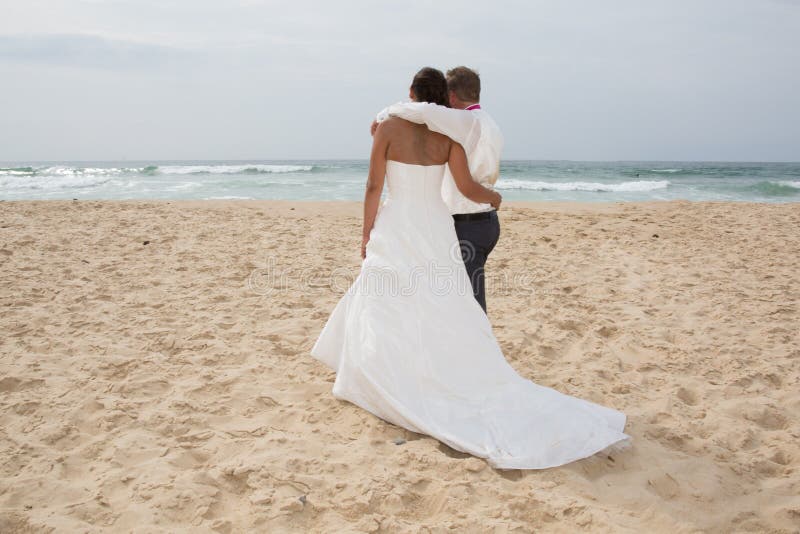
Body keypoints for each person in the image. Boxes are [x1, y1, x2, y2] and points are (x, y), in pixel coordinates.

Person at [311, 67, 629, 470]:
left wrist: (365, 231)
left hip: (398, 223)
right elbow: (465, 189)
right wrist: (495, 198)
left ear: (410, 92)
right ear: (442, 98)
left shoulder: (388, 128)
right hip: (436, 224)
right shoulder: (450, 137)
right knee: (443, 302)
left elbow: (374, 186)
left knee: (387, 296)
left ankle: (387, 374)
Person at [372, 66, 503, 314]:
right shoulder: (490, 123)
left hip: (468, 224)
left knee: (470, 306)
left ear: (451, 96)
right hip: (485, 222)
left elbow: (422, 110)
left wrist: (383, 115)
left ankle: (478, 351)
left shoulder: (463, 122)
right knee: (461, 297)